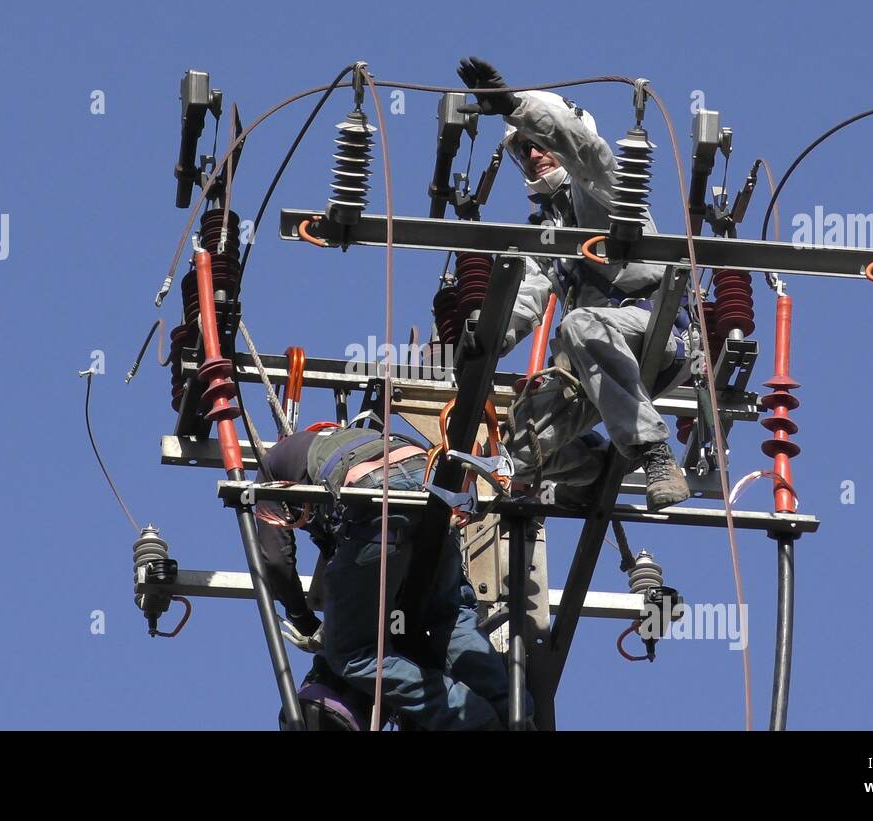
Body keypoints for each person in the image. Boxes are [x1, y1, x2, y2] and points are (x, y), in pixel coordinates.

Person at [456, 57, 691, 510]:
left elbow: (583, 148)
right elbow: (525, 298)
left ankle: (654, 453)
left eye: (539, 142)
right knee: (518, 449)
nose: (533, 154)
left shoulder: (600, 189)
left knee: (580, 324)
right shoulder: (545, 231)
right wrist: (483, 338)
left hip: (659, 335)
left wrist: (514, 107)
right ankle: (596, 468)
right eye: (522, 149)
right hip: (597, 361)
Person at [254, 423, 516, 730]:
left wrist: (303, 619)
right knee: (451, 617)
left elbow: (275, 561)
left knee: (351, 654)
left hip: (374, 499)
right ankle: (515, 714)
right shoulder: (366, 437)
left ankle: (471, 719)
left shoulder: (273, 463)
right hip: (432, 488)